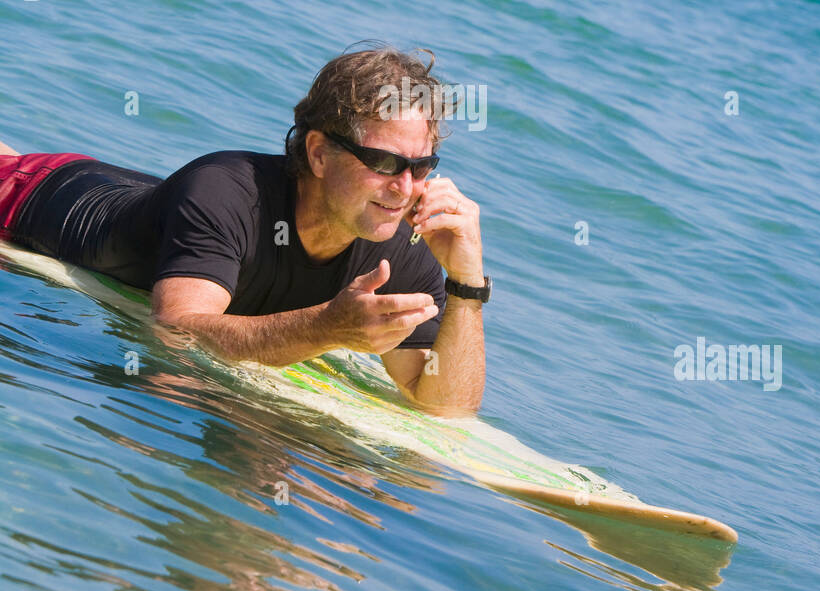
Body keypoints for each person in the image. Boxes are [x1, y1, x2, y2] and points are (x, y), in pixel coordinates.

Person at [0, 46, 490, 416]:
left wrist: (466, 282)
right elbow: (176, 333)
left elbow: (443, 405)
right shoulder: (226, 192)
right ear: (318, 153)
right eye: (384, 163)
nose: (405, 187)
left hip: (159, 207)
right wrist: (326, 329)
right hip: (36, 194)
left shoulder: (396, 241)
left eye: (422, 166)